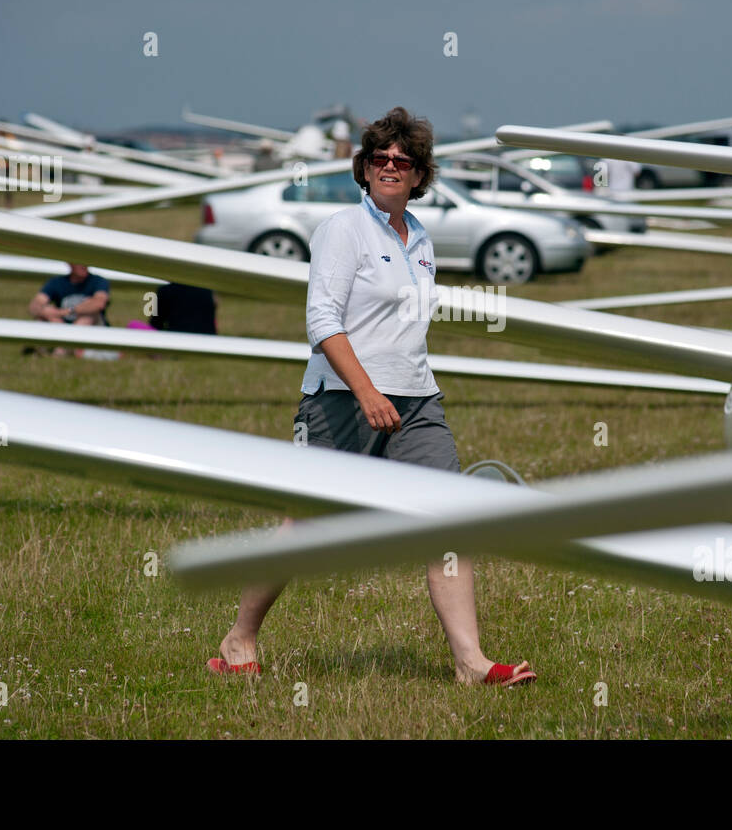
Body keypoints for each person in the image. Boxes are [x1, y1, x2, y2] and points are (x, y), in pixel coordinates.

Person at [210, 107, 536, 687]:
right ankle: (239, 638)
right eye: (379, 158)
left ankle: (470, 661)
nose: (389, 166)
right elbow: (322, 320)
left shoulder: (422, 239)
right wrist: (365, 391)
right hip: (339, 398)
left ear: (418, 175)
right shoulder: (343, 229)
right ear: (363, 169)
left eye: (401, 161)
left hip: (418, 400)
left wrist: (402, 388)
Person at [26, 263, 111, 357]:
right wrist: (50, 315)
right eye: (79, 263)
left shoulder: (98, 281)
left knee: (88, 317)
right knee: (42, 316)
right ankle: (43, 349)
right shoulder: (57, 282)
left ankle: (61, 351)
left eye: (86, 262)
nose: (83, 266)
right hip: (61, 324)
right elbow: (35, 305)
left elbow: (99, 304)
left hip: (92, 328)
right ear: (70, 264)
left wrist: (68, 311)